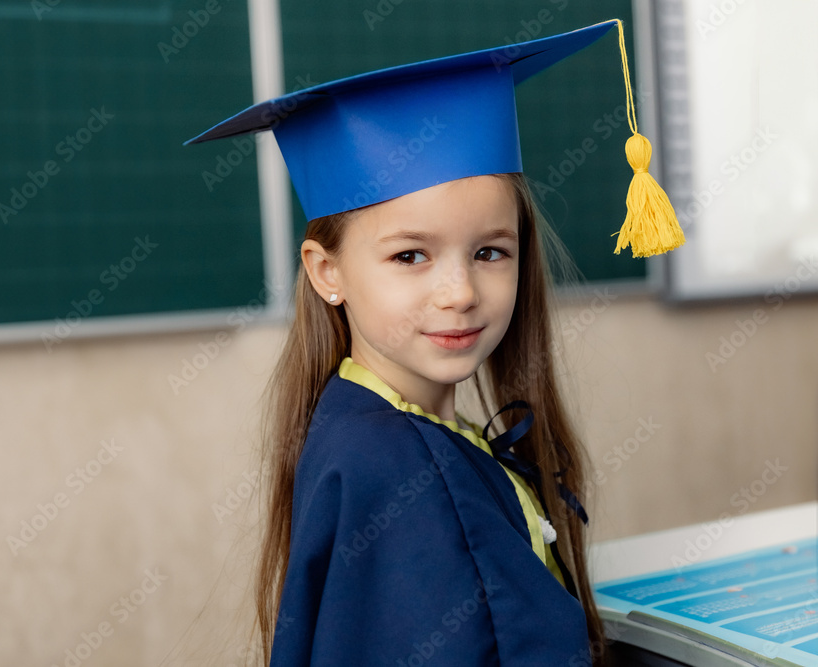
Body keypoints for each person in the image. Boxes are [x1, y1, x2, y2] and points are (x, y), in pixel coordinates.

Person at [187, 17, 681, 666]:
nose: (460, 292)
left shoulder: (381, 428)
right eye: (411, 255)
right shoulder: (402, 468)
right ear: (326, 271)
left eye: (488, 251)